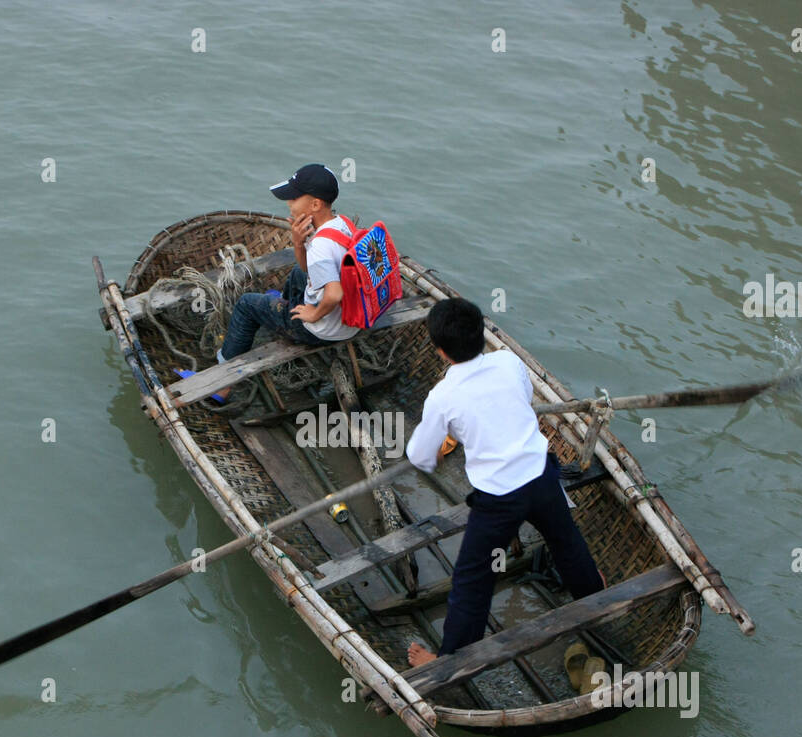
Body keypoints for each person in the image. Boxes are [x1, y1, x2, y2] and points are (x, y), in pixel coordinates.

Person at [404, 298, 607, 666]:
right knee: (566, 541)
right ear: (482, 335)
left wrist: (438, 451)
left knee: (473, 576)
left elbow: (419, 456)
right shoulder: (509, 362)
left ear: (441, 352)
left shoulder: (442, 397)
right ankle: (594, 592)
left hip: (500, 498)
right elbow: (524, 400)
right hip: (542, 474)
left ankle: (450, 659)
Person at [211, 164, 358, 401]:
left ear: (315, 204)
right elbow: (308, 270)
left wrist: (314, 314)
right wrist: (298, 242)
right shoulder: (342, 224)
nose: (289, 203)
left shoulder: (321, 246)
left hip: (322, 329)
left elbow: (334, 294)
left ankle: (222, 384)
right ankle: (284, 310)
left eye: (294, 198)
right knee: (299, 274)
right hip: (349, 322)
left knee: (246, 304)